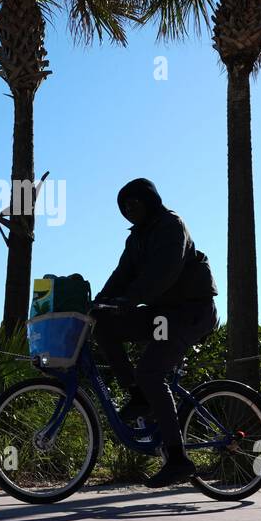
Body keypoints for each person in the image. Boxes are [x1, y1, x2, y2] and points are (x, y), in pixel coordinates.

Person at [92, 178, 218, 488]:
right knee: (104, 327)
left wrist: (129, 300)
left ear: (149, 200)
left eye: (133, 205)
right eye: (123, 209)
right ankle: (138, 397)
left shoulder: (171, 225)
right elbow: (121, 275)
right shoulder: (136, 239)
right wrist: (98, 303)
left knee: (151, 372)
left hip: (190, 312)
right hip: (163, 313)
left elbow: (164, 272)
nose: (128, 212)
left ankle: (178, 460)